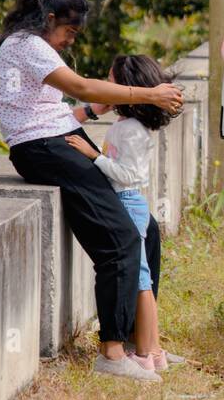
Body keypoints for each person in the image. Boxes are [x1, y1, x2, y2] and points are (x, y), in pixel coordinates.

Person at [0, 0, 182, 382]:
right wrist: (147, 95)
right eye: (69, 31)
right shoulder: (26, 45)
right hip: (42, 148)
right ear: (49, 17)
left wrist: (93, 111)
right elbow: (76, 86)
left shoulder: (33, 46)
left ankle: (140, 343)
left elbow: (52, 108)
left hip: (57, 138)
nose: (70, 41)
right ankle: (111, 353)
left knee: (144, 228)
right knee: (120, 238)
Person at [64, 54, 180, 373]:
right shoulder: (126, 124)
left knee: (142, 280)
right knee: (142, 277)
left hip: (128, 202)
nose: (106, 83)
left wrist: (93, 155)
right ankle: (153, 351)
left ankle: (147, 352)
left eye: (111, 79)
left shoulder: (129, 129)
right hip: (129, 202)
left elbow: (127, 174)